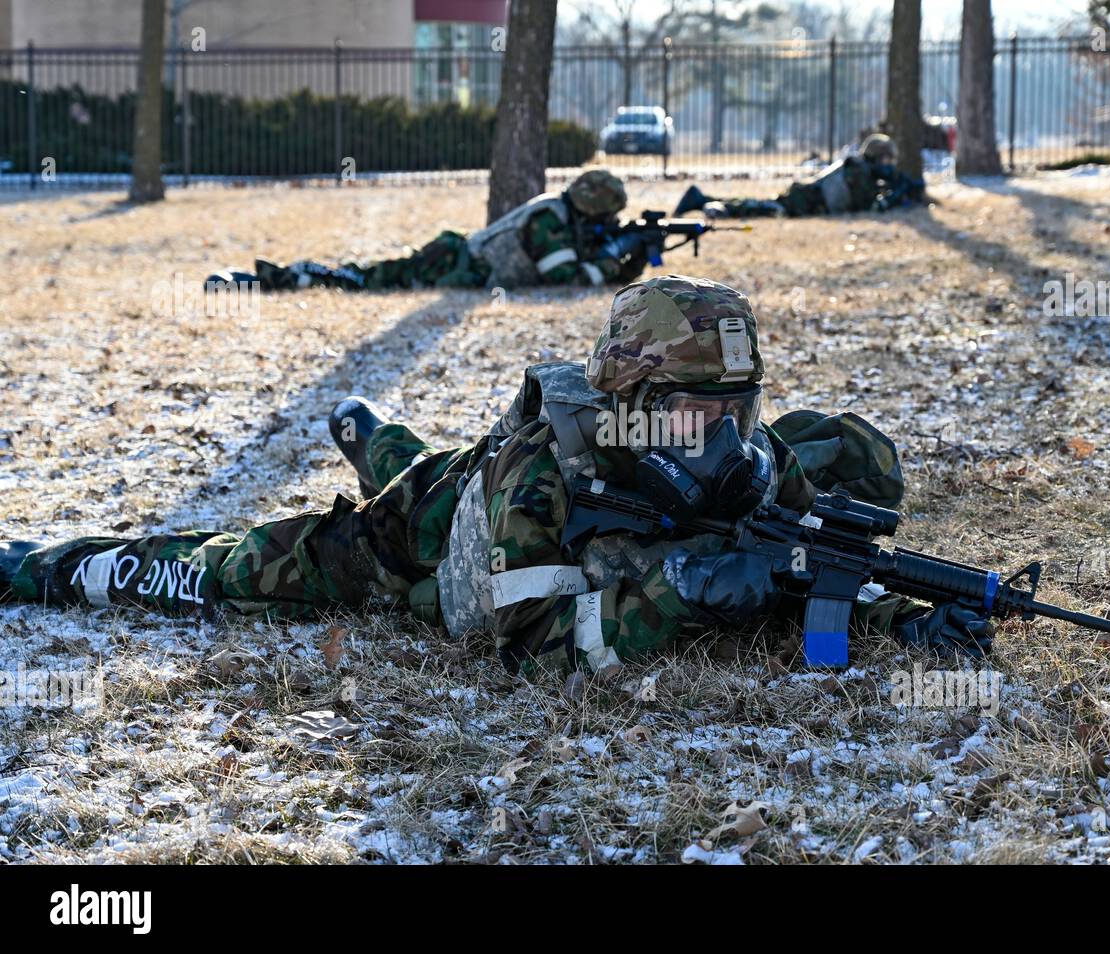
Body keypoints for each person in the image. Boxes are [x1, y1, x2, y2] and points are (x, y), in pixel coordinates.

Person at [0, 275, 993, 676]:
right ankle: (38, 560)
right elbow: (517, 646)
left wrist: (893, 618)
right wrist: (679, 589)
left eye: (740, 404)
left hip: (476, 494)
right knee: (219, 567)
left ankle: (371, 427)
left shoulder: (751, 461)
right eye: (700, 407)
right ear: (630, 402)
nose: (726, 432)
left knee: (407, 450)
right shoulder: (543, 473)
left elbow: (815, 571)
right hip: (427, 545)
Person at [205, 169, 650, 292]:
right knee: (362, 281)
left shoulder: (566, 217)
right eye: (606, 218)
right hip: (456, 264)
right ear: (593, 206)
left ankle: (287, 277)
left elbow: (587, 272)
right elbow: (565, 278)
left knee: (366, 277)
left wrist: (629, 260)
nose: (608, 226)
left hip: (464, 265)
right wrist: (613, 257)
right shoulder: (550, 220)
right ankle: (269, 280)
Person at [673, 134, 924, 219]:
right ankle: (705, 201)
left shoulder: (861, 170)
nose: (889, 167)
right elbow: (870, 206)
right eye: (887, 162)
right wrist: (895, 194)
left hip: (807, 199)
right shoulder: (859, 172)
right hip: (804, 201)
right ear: (877, 158)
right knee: (763, 209)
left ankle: (704, 198)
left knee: (762, 206)